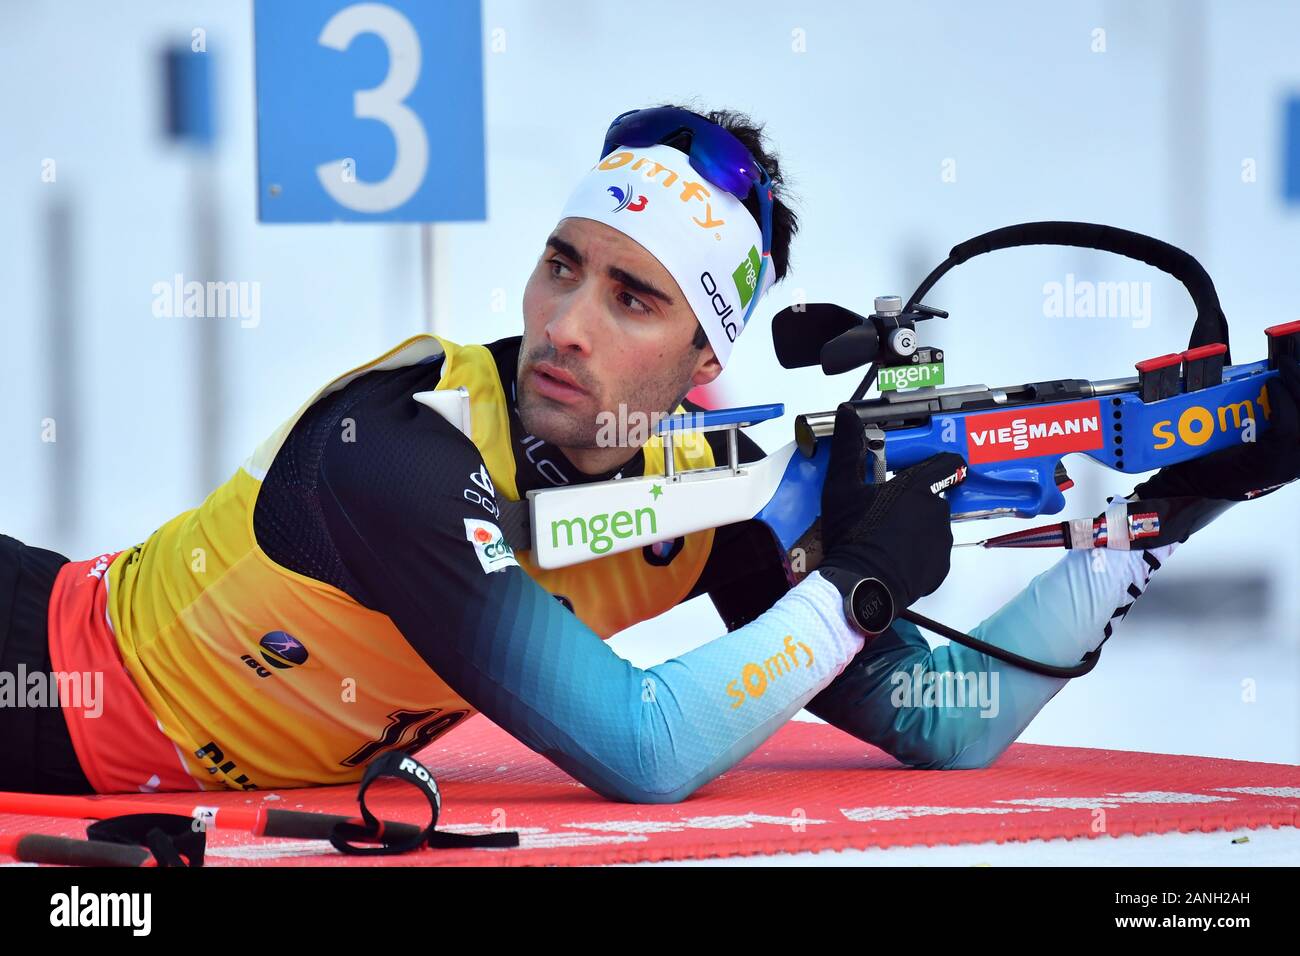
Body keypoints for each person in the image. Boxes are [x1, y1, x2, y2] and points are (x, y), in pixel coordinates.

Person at [2, 105, 1297, 800]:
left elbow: (943, 724)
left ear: (703, 365)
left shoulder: (717, 494)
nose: (564, 326)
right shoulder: (392, 446)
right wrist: (853, 589)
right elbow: (643, 749)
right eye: (563, 266)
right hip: (45, 675)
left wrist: (1176, 499)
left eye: (634, 298)